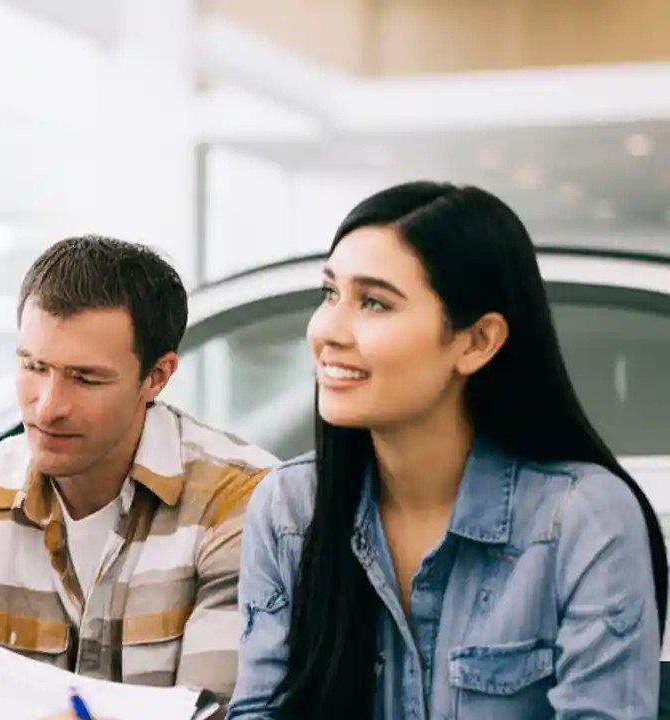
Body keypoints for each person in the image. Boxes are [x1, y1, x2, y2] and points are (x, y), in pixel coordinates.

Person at [226, 181, 668, 719]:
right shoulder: (290, 508)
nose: (327, 330)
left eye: (374, 302)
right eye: (329, 294)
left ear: (477, 341)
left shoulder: (582, 519)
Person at [0, 235, 279, 711]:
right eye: (34, 366)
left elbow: (218, 714)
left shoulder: (241, 502)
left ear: (158, 376)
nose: (49, 406)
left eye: (85, 378)